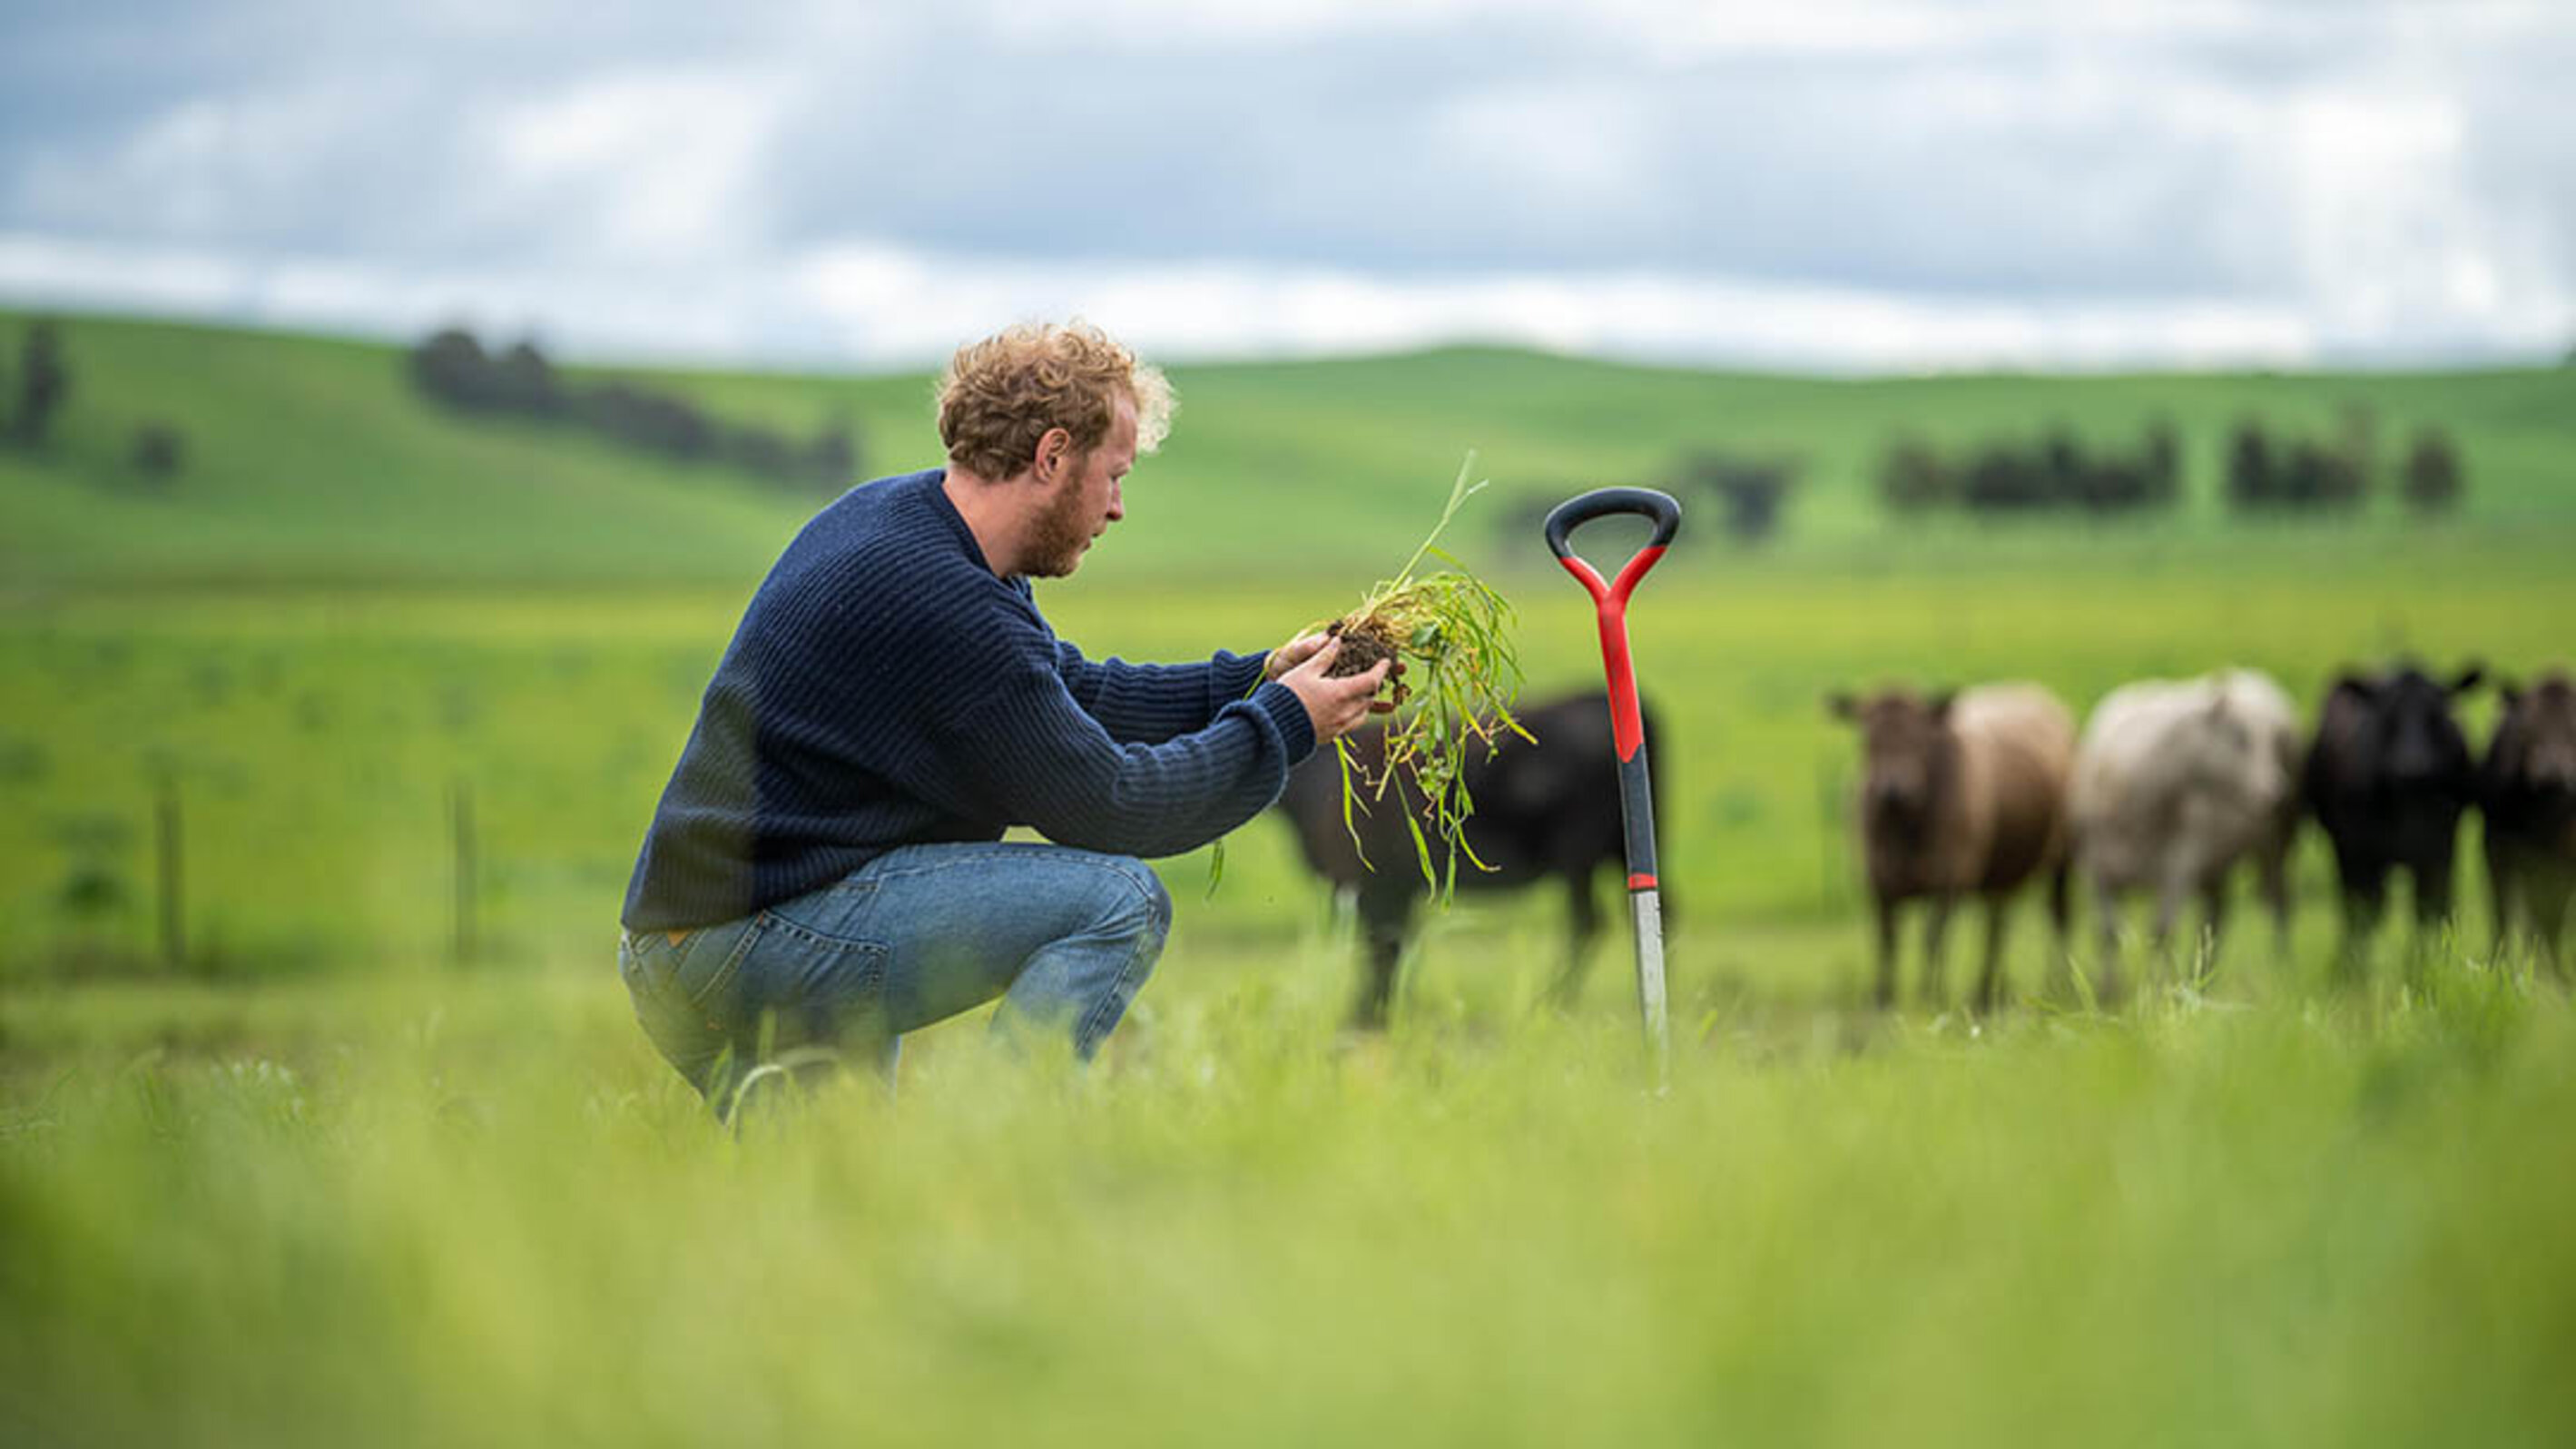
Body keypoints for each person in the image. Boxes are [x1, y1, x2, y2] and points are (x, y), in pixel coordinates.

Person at [616, 321, 1393, 1116]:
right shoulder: (945, 601)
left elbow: (1069, 695)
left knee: (831, 1198)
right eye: (1114, 475)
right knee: (1118, 901)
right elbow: (1116, 808)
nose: (1119, 508)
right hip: (748, 941)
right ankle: (992, 1144)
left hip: (707, 936)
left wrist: (1258, 677)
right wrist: (1285, 724)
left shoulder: (911, 526)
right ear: (1053, 456)